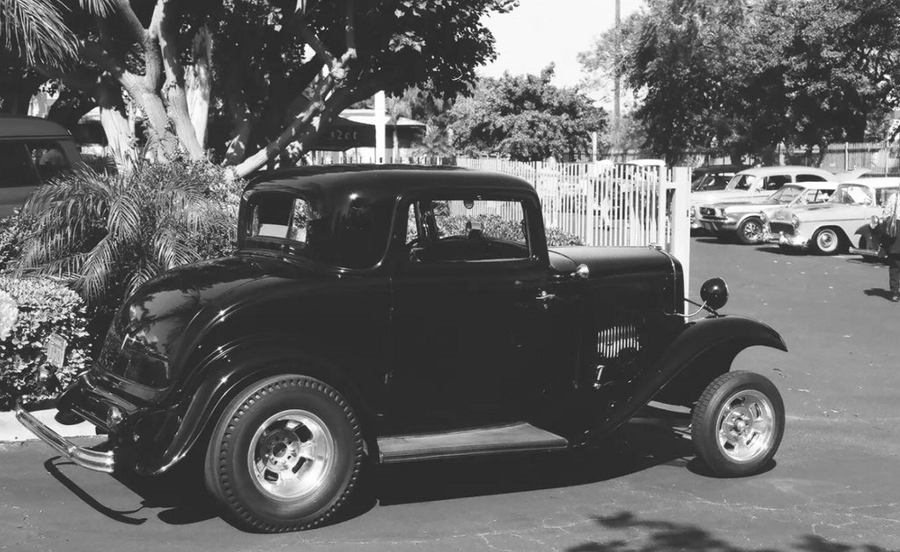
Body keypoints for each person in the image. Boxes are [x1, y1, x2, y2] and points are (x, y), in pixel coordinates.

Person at [870, 187, 900, 302]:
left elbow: (885, 215)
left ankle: (895, 292)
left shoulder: (894, 197)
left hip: (895, 233)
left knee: (895, 265)